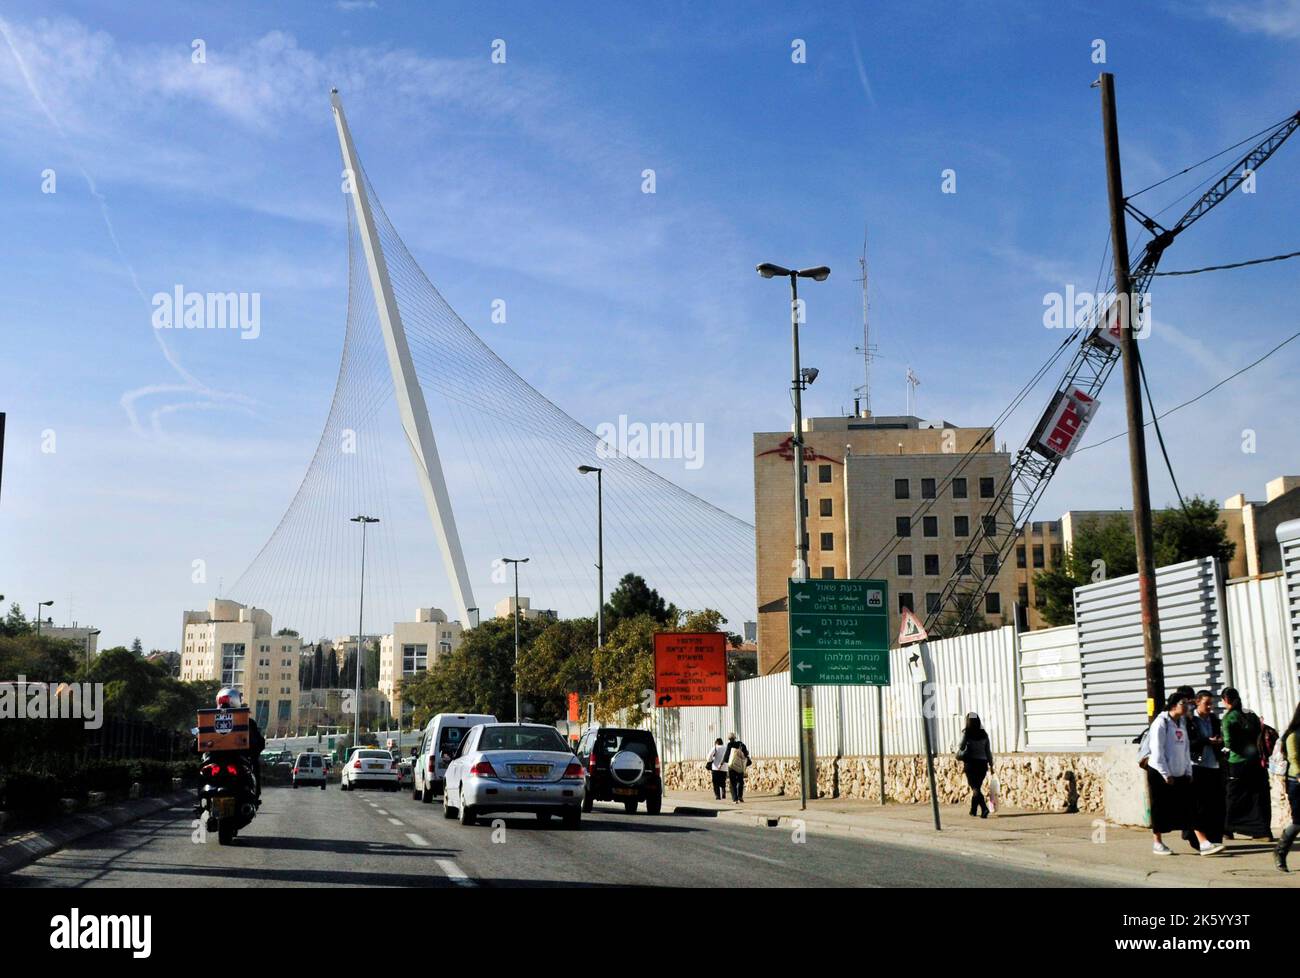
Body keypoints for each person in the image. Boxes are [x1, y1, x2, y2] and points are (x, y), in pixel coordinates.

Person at [1148, 691, 1224, 856]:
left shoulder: (1181, 723)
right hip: (1161, 773)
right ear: (1174, 705)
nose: (1187, 707)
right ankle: (1157, 842)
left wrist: (1188, 771)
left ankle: (1203, 843)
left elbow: (1185, 748)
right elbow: (1157, 751)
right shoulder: (1161, 723)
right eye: (1184, 703)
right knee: (1160, 809)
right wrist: (1164, 773)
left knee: (1190, 807)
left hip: (1180, 772)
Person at [1221, 687, 1271, 839]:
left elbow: (1228, 742)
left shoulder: (1229, 718)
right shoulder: (1251, 714)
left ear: (1226, 700)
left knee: (1234, 796)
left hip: (1237, 763)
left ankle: (1228, 827)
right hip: (1256, 761)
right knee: (1257, 796)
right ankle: (1261, 831)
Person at [1182, 690, 1226, 853]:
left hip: (1213, 764)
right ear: (1197, 702)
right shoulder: (1189, 720)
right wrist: (1206, 741)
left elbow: (1219, 737)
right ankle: (1198, 839)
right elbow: (1188, 743)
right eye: (1206, 703)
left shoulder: (1213, 719)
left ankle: (1214, 838)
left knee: (1214, 805)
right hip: (1196, 765)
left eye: (1211, 703)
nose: (1209, 707)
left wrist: (1219, 742)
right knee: (1199, 805)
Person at [1274, 702, 1300, 872]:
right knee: (1299, 822)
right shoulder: (1293, 735)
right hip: (1296, 782)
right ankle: (1280, 851)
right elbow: (1294, 758)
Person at [956, 712, 994, 818]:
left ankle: (984, 808)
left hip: (971, 764)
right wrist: (991, 765)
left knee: (975, 788)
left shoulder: (967, 733)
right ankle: (973, 810)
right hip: (982, 764)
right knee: (977, 786)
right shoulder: (984, 734)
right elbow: (988, 751)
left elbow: (961, 746)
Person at [722, 732, 751, 803]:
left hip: (732, 766)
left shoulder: (729, 745)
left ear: (729, 739)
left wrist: (723, 761)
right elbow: (746, 753)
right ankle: (740, 797)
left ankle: (735, 799)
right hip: (740, 766)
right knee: (740, 781)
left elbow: (726, 756)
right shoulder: (741, 744)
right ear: (735, 738)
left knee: (733, 783)